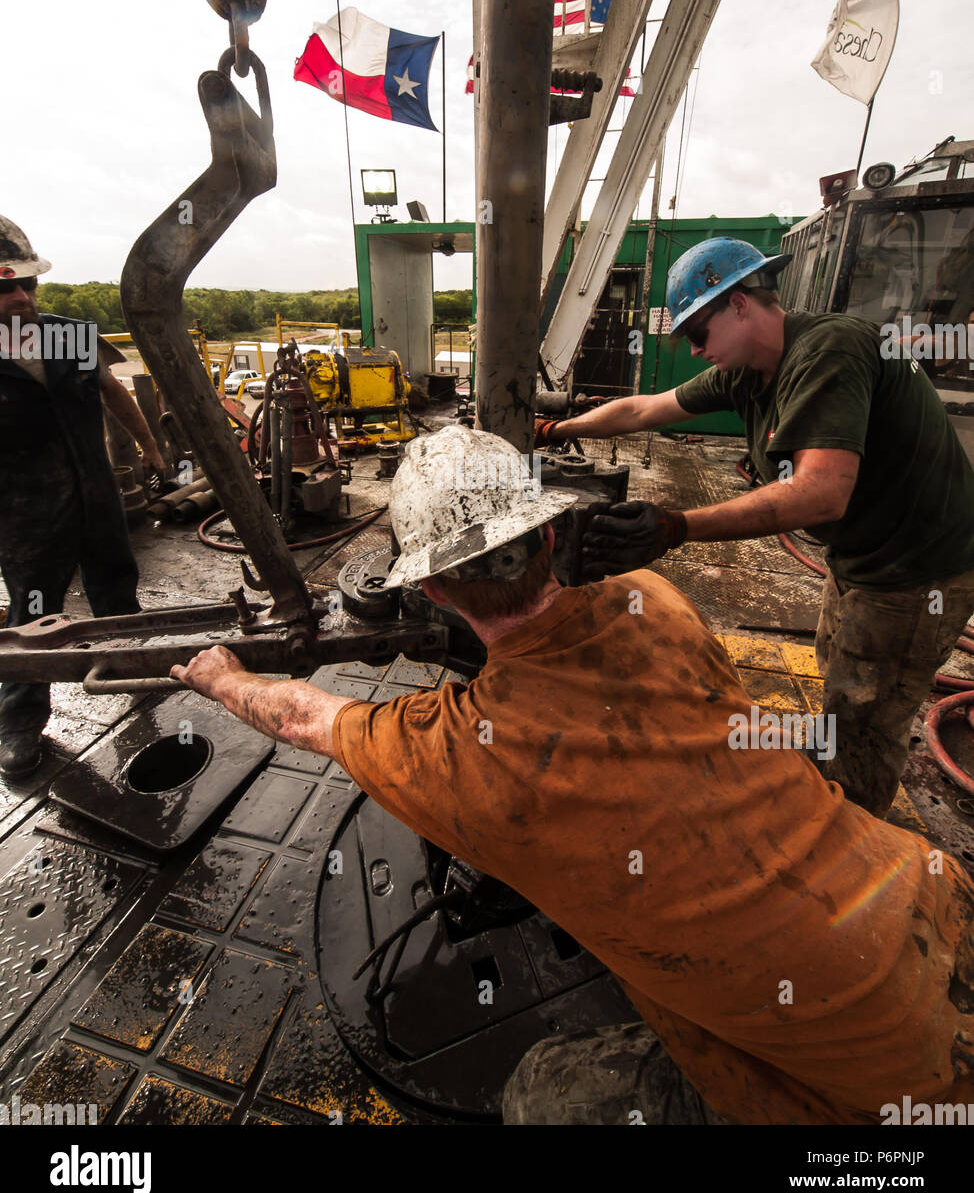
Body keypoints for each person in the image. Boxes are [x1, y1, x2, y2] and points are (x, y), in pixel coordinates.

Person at [172, 424, 974, 1126]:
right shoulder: (655, 599)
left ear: (428, 587)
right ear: (550, 539)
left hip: (896, 1095)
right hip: (936, 901)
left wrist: (223, 678)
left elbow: (306, 717)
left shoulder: (452, 757)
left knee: (547, 1092)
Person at [537, 237, 974, 819]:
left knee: (871, 715)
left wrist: (674, 526)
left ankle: (854, 840)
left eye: (698, 334)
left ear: (740, 304)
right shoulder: (749, 370)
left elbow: (820, 493)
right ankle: (835, 770)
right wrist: (554, 432)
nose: (694, 352)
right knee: (842, 676)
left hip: (916, 569)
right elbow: (645, 409)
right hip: (862, 556)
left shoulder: (830, 350)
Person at [0, 216, 165, 778]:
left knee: (116, 585)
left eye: (29, 284)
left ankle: (128, 671)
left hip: (96, 494)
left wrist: (151, 446)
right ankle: (20, 723)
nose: (21, 295)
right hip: (25, 511)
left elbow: (111, 389)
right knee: (34, 615)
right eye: (6, 287)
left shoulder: (66, 334)